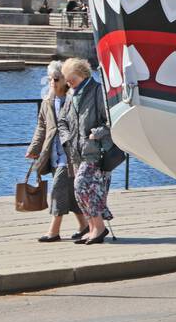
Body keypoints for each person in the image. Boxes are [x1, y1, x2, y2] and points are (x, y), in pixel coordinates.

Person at [26, 60, 88, 242]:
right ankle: (84, 225)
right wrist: (34, 149)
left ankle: (53, 231)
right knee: (70, 191)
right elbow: (41, 127)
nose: (52, 81)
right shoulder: (47, 101)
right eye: (50, 78)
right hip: (52, 154)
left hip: (71, 155)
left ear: (65, 79)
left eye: (56, 78)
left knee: (58, 189)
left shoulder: (75, 98)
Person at [59, 57, 116, 243]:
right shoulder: (70, 95)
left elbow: (111, 120)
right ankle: (93, 228)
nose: (69, 84)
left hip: (95, 151)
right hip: (76, 151)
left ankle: (99, 228)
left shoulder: (98, 91)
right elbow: (62, 121)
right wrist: (66, 139)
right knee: (82, 192)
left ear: (83, 75)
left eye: (72, 80)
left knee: (82, 186)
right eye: (67, 80)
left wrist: (96, 133)